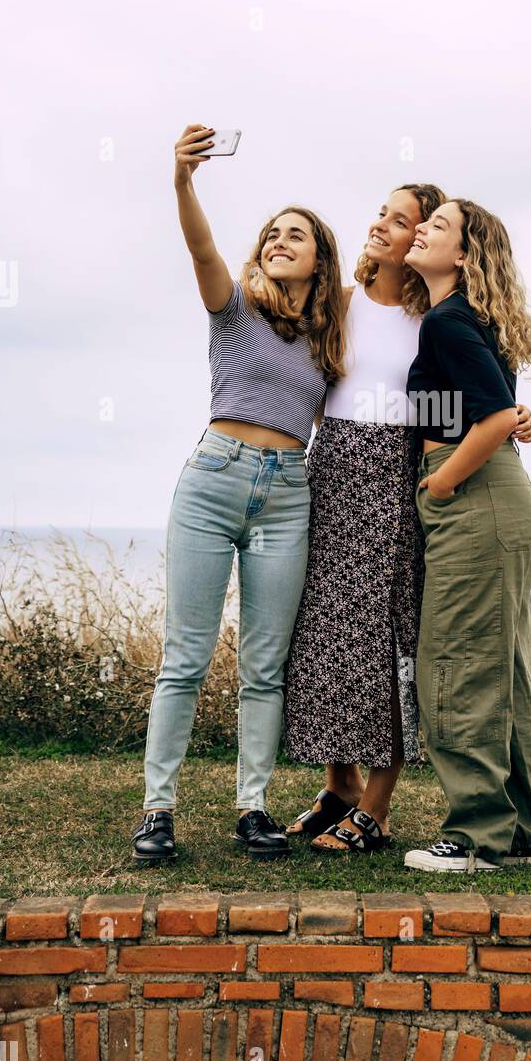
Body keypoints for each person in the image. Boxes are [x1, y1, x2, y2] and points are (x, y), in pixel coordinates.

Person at [283, 185, 531, 855]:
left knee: (391, 635)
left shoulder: (439, 317)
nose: (384, 226)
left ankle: (378, 803)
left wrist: (513, 421)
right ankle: (338, 784)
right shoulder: (337, 303)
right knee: (324, 634)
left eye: (404, 221)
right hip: (332, 467)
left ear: (426, 239)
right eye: (384, 214)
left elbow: (480, 395)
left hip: (402, 474)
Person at [131, 123, 345, 866]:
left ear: (320, 260)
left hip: (288, 495)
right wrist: (183, 180)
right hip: (213, 482)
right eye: (272, 233)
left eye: (297, 235)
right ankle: (158, 810)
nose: (279, 240)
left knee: (264, 665)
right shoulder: (233, 311)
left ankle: (252, 809)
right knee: (184, 658)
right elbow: (200, 249)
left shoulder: (326, 340)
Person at [402, 197, 531, 872]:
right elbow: (496, 409)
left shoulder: (449, 320)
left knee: (456, 664)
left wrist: (439, 482)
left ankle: (476, 838)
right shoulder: (462, 319)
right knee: (503, 669)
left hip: (474, 492)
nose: (421, 230)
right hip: (499, 495)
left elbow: (492, 420)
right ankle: (526, 835)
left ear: (464, 255)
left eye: (438, 226)